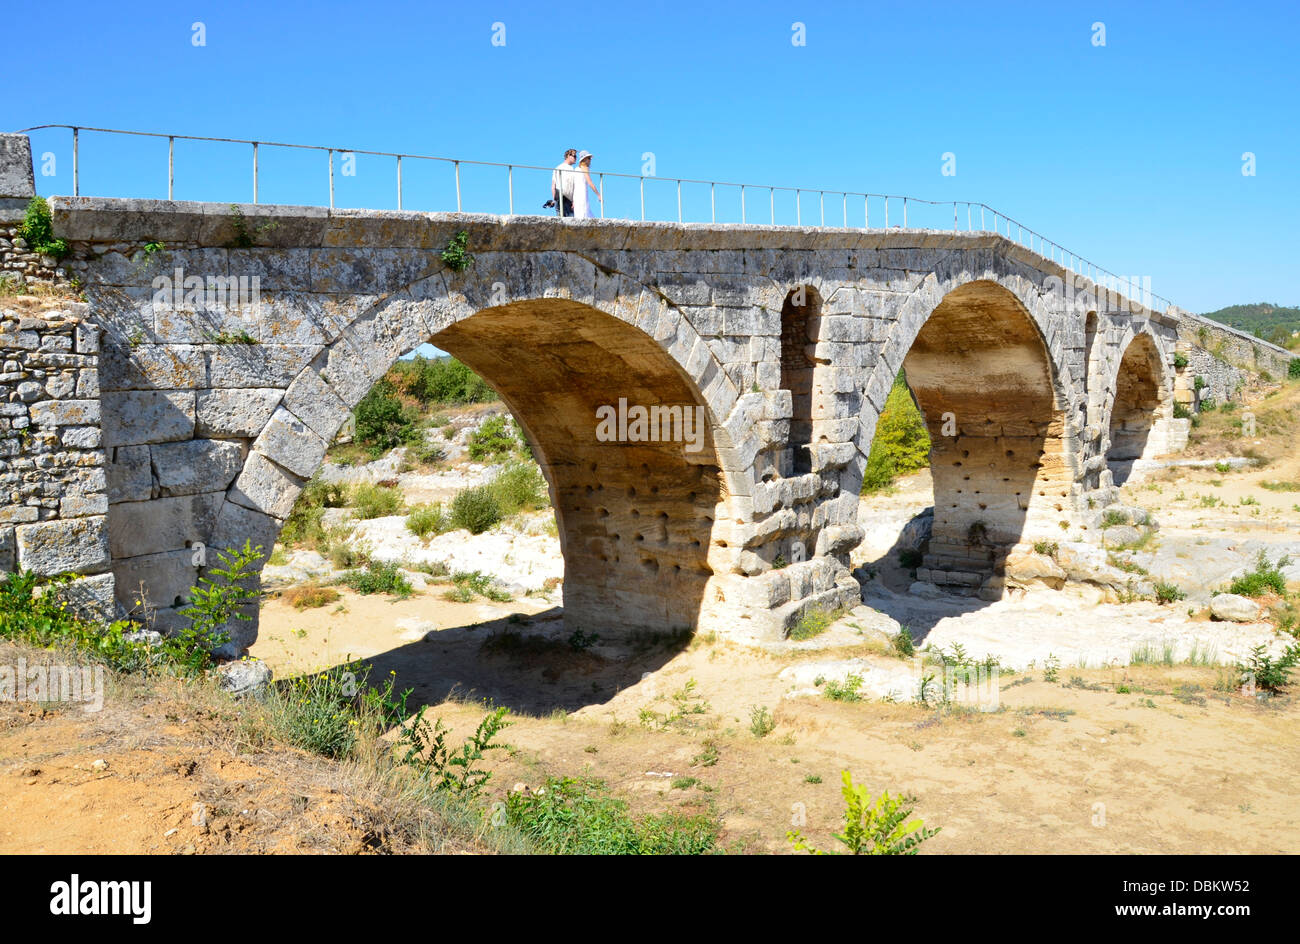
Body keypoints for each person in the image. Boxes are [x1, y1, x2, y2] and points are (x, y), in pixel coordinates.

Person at [571, 151, 602, 219]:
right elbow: (589, 181)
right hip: (582, 193)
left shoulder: (576, 169)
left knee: (580, 214)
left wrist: (573, 200)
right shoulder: (584, 168)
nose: (590, 160)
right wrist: (598, 194)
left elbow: (574, 185)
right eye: (589, 158)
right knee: (584, 213)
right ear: (584, 159)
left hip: (576, 195)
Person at [549, 148, 577, 217]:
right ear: (568, 156)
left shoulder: (559, 168)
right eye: (574, 156)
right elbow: (553, 186)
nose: (575, 158)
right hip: (562, 198)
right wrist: (555, 200)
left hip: (567, 200)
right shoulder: (560, 168)